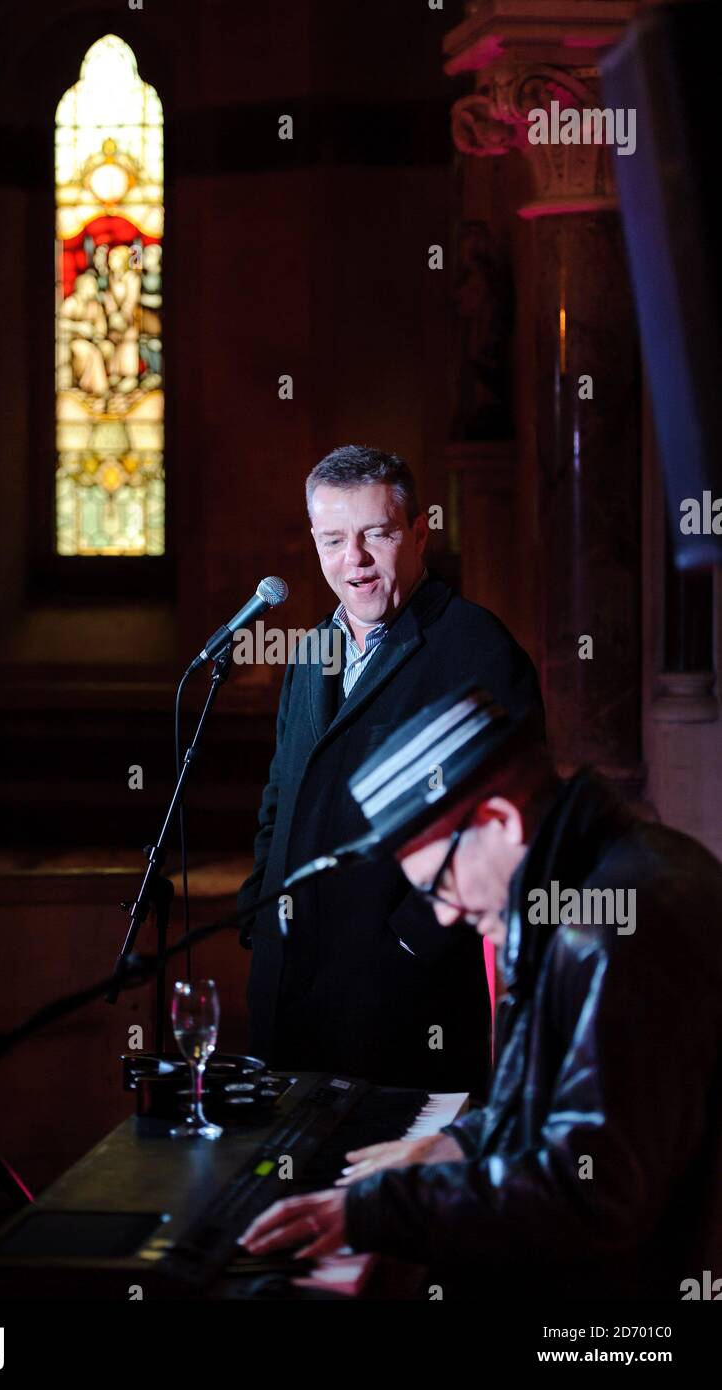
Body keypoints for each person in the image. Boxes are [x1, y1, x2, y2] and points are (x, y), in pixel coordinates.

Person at [240, 687, 722, 1299]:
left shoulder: (608, 931)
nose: (443, 918)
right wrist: (461, 1142)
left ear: (500, 821)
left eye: (436, 885)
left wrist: (373, 1213)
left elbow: (593, 1192)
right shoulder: (612, 874)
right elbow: (564, 1111)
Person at [238, 446, 543, 1094]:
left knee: (381, 1191)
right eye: (333, 540)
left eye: (375, 534)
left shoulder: (474, 648)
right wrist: (258, 909)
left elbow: (506, 828)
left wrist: (404, 946)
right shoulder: (310, 651)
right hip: (287, 988)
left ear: (418, 531)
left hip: (399, 1005)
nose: (355, 560)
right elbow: (279, 795)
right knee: (286, 1182)